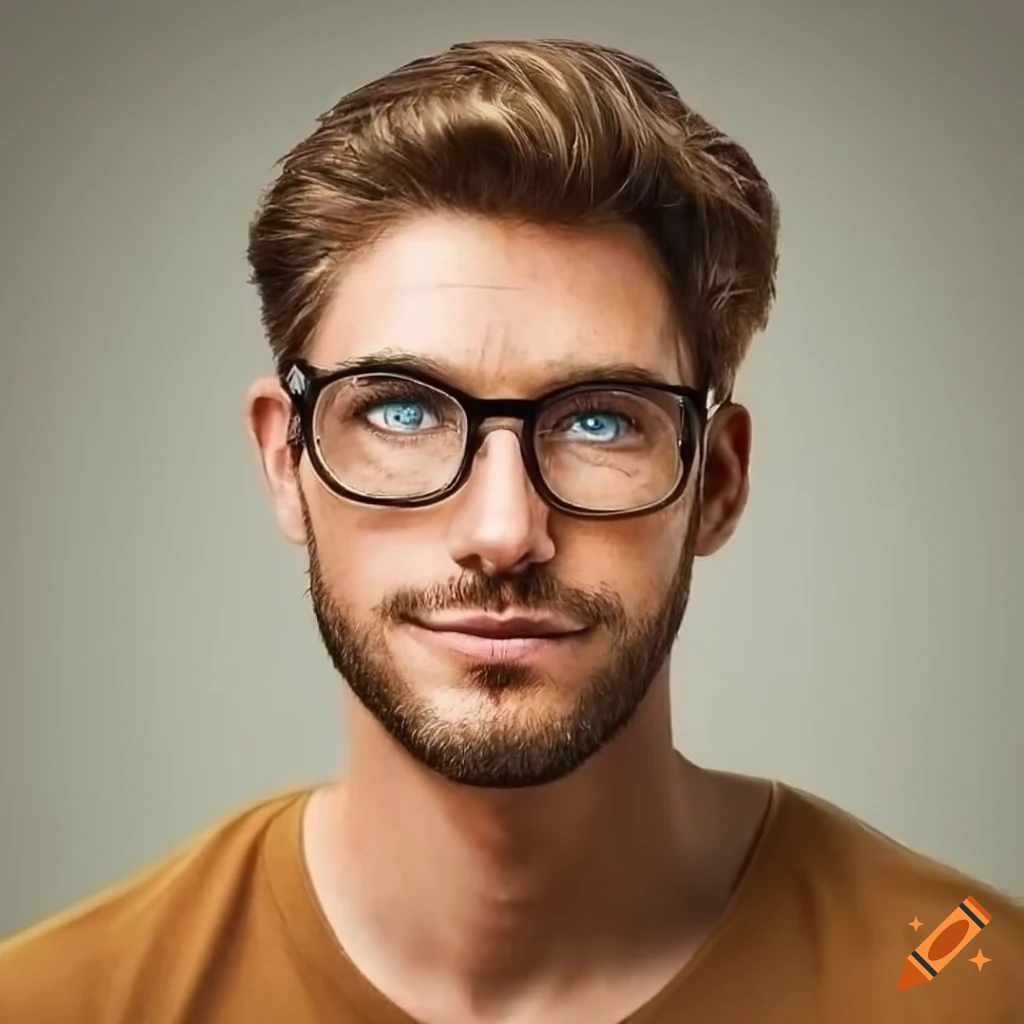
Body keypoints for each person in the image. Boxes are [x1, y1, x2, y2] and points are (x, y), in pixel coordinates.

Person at [0, 36, 1020, 1024]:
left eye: (599, 419)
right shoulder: (52, 1006)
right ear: (285, 458)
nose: (502, 531)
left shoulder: (972, 984)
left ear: (715, 480)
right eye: (401, 409)